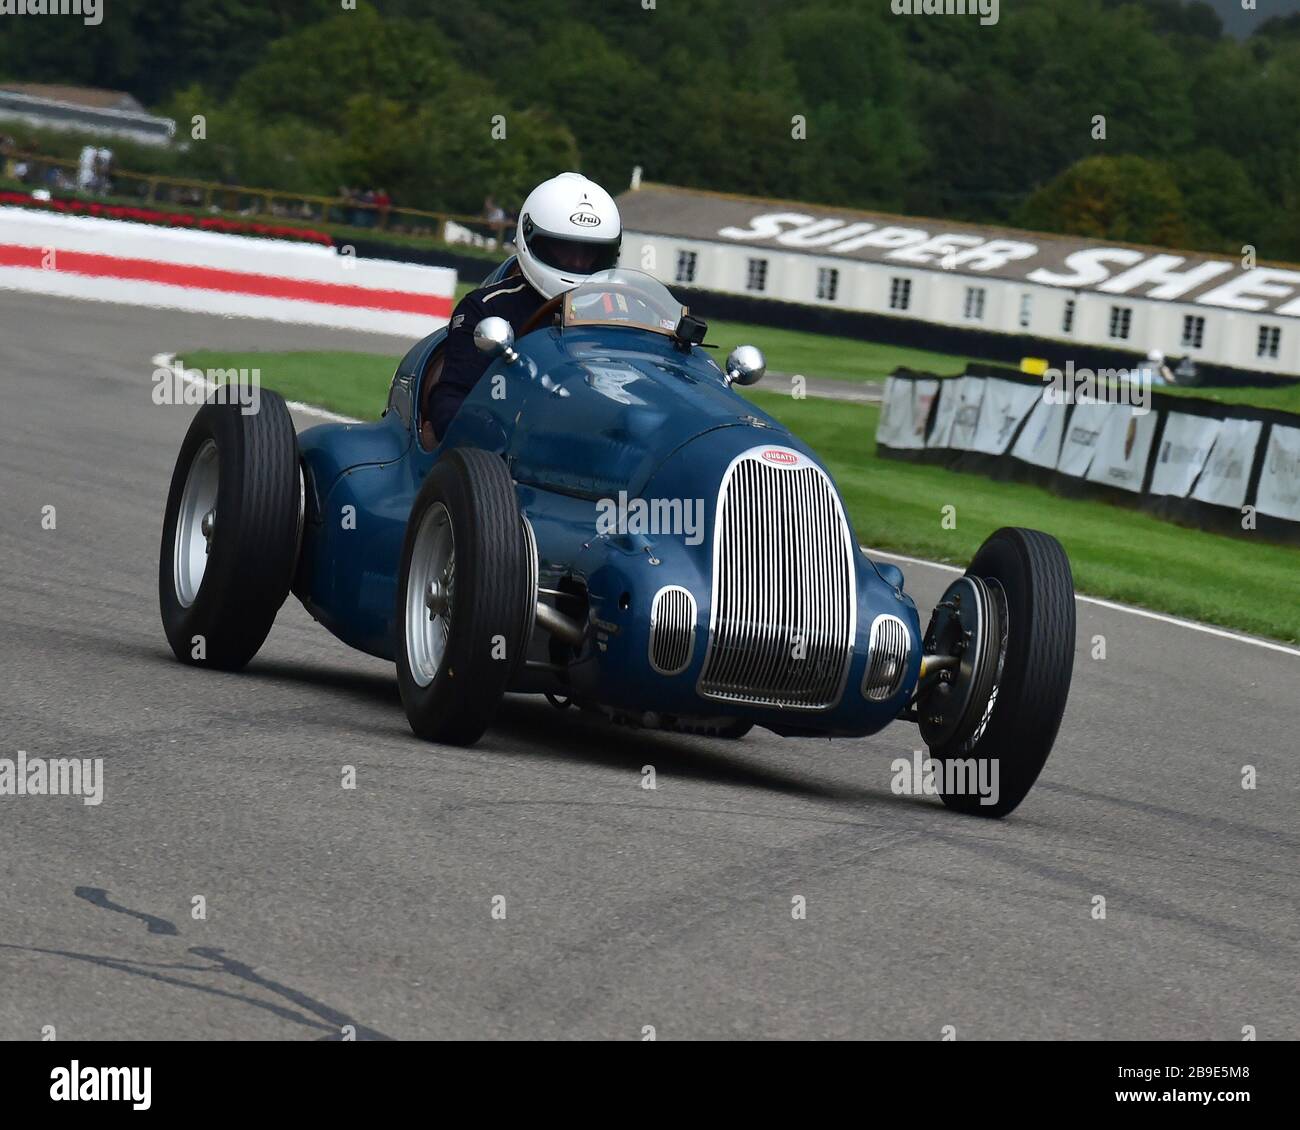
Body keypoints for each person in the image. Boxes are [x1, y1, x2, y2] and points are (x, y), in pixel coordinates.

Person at [425, 172, 622, 446]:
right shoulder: (486, 308)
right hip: (515, 460)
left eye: (591, 252)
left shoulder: (619, 312)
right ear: (532, 239)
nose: (578, 261)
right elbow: (451, 403)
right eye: (565, 248)